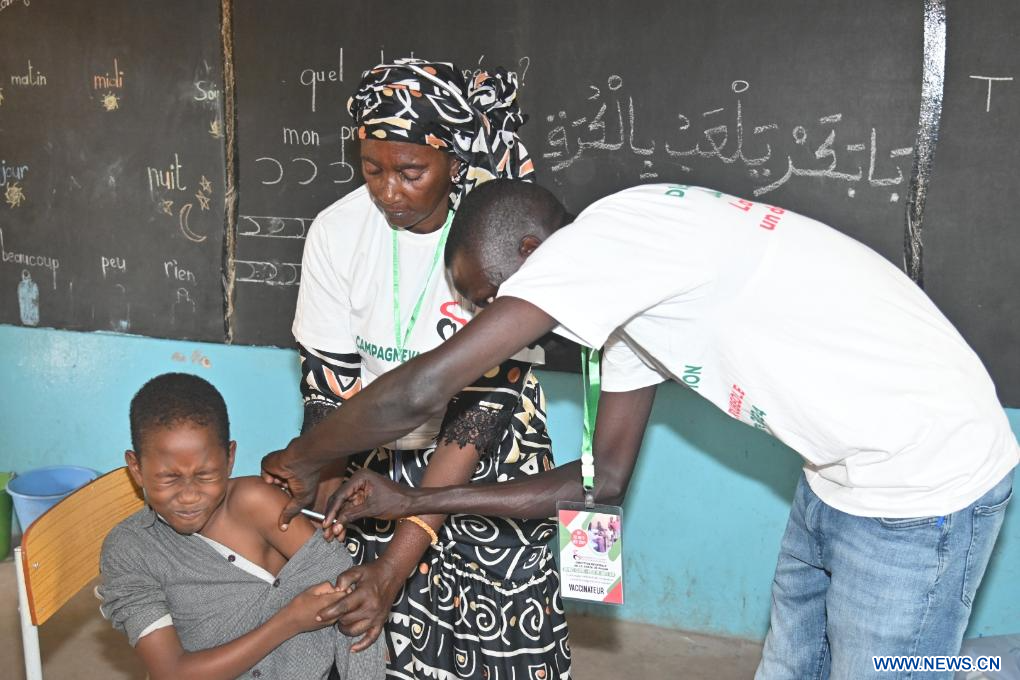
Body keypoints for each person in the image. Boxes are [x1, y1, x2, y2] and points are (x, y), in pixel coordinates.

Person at [263, 180, 1019, 680]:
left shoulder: (601, 247)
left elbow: (425, 387)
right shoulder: (626, 294)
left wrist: (302, 459)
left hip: (924, 484)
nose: (491, 318)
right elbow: (600, 483)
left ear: (531, 255)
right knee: (791, 667)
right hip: (841, 476)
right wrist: (410, 505)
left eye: (491, 297)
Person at [291, 59, 570, 678]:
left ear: (453, 159)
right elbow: (328, 381)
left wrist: (398, 558)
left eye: (411, 171)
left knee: (494, 638)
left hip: (488, 460)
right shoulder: (337, 233)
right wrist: (324, 492)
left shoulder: (493, 233)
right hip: (377, 448)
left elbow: (479, 413)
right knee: (380, 640)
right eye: (371, 169)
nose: (388, 189)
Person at [98, 373, 384, 680]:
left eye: (205, 475)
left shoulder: (256, 503)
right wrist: (289, 621)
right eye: (169, 478)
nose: (189, 495)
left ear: (230, 458)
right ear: (137, 469)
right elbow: (172, 672)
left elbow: (352, 603)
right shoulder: (131, 550)